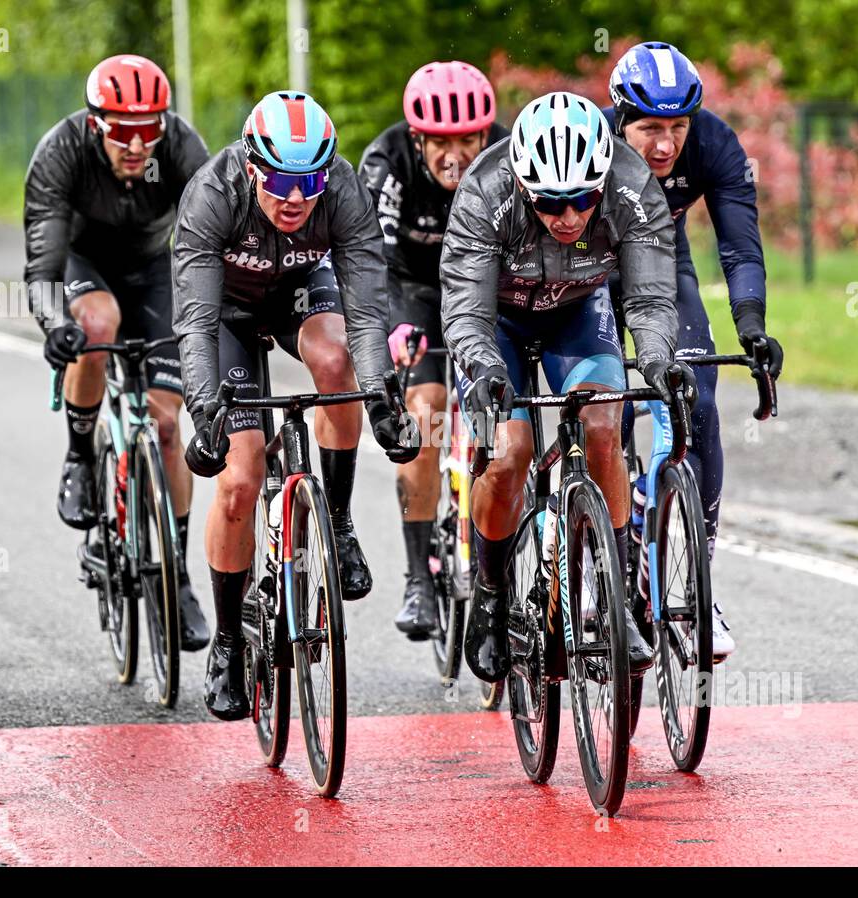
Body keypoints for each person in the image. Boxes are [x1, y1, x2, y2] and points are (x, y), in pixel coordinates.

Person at [173, 90, 418, 721]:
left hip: (300, 291)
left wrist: (383, 398)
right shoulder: (210, 196)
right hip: (225, 313)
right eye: (280, 179)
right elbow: (195, 324)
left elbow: (366, 314)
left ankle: (335, 521)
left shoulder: (341, 192)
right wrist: (206, 414)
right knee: (240, 480)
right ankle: (228, 643)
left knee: (338, 360)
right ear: (251, 165)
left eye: (309, 180)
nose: (295, 197)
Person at [440, 91, 696, 684]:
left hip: (578, 312)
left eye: (583, 199)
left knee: (605, 423)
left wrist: (657, 362)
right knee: (510, 453)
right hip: (497, 321)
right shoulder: (485, 191)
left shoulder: (633, 187)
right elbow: (466, 314)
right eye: (551, 203)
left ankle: (617, 592)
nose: (570, 216)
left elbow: (652, 298)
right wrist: (481, 371)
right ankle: (490, 591)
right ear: (524, 186)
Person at [24, 54, 213, 652]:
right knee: (97, 323)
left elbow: (215, 234)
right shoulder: (61, 154)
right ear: (94, 122)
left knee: (164, 424)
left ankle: (178, 575)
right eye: (121, 132)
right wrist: (56, 324)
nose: (136, 146)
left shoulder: (182, 146)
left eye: (147, 130)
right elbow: (44, 267)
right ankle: (81, 456)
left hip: (155, 269)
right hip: (84, 266)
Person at [607, 41, 786, 659]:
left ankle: (695, 579)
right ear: (618, 118)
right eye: (649, 128)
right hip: (588, 266)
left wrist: (752, 325)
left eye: (677, 126)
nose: (664, 144)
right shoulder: (593, 146)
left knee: (698, 398)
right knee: (605, 401)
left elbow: (738, 244)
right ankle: (603, 538)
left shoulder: (714, 143)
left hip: (663, 263)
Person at [357, 61, 508, 641]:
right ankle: (419, 577)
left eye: (468, 139)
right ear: (417, 138)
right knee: (425, 413)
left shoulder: (506, 154)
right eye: (441, 142)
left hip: (488, 287)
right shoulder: (386, 162)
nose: (457, 154)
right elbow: (370, 260)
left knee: (506, 419)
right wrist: (391, 327)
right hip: (413, 291)